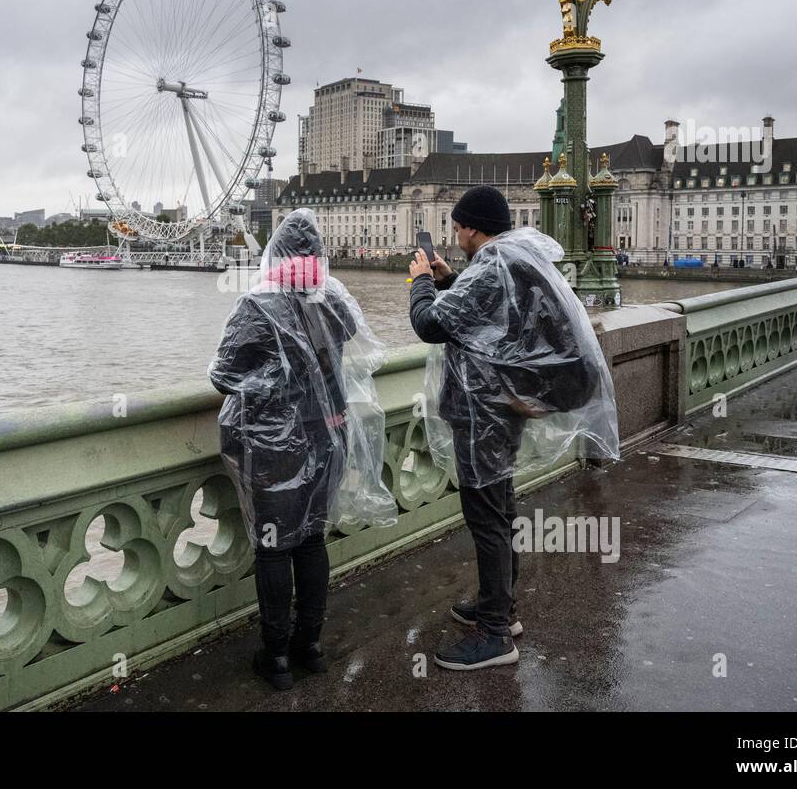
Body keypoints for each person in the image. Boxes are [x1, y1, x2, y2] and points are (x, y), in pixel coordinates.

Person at [408, 186, 618, 670]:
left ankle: (496, 634)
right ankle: (498, 605)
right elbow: (491, 319)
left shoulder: (491, 266)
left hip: (485, 412)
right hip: (506, 406)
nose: (455, 235)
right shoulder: (509, 259)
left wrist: (421, 281)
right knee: (499, 507)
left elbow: (430, 325)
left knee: (487, 517)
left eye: (459, 228)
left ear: (474, 228)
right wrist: (450, 280)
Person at [209, 208, 393, 690]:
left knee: (273, 547)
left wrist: (275, 382)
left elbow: (223, 375)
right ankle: (308, 647)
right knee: (312, 539)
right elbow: (352, 343)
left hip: (272, 444)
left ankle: (276, 658)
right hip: (328, 432)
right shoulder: (334, 298)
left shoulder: (257, 303)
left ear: (275, 249)